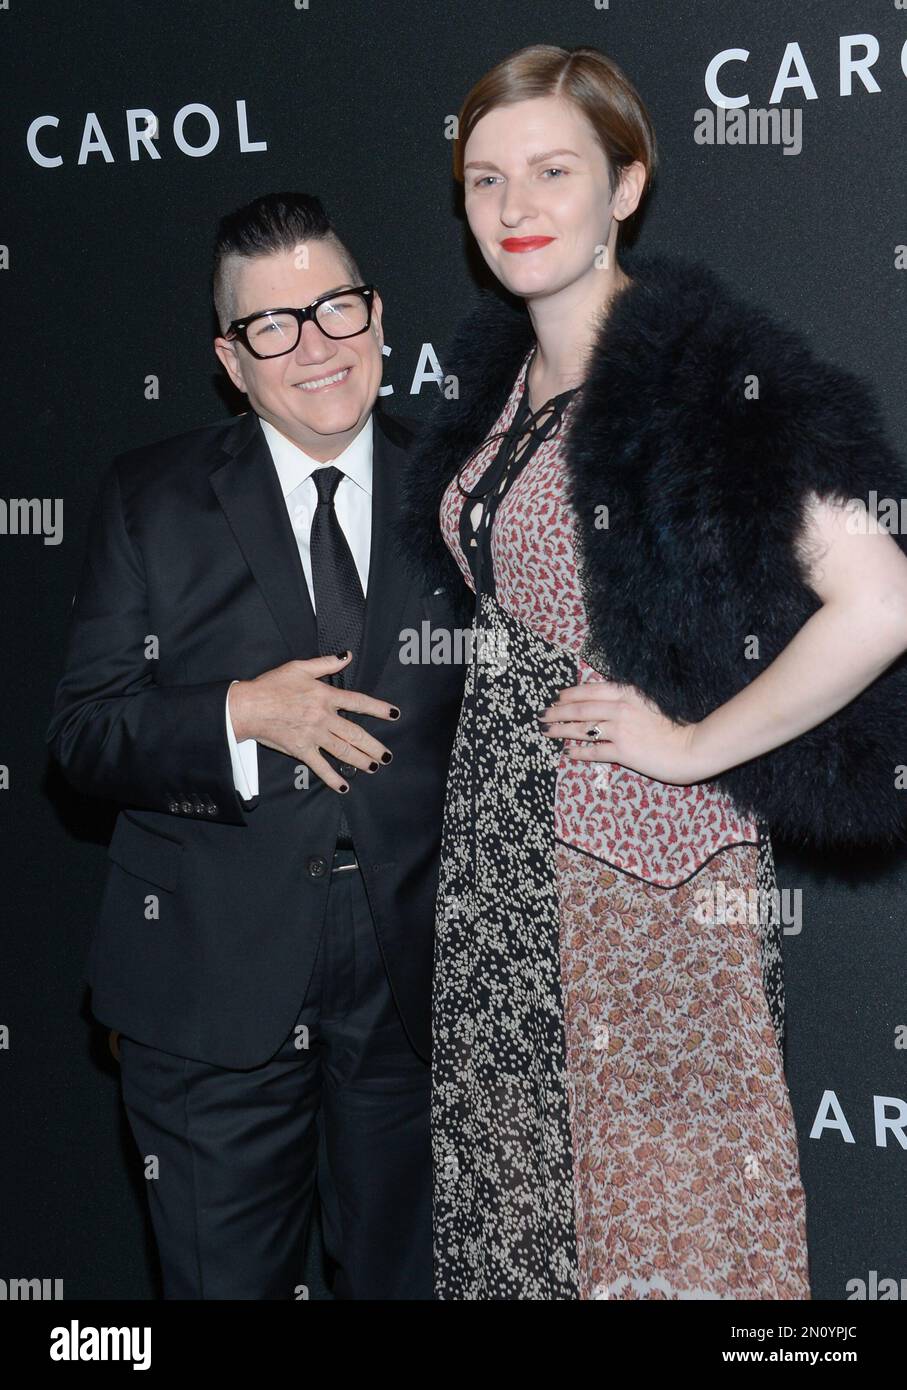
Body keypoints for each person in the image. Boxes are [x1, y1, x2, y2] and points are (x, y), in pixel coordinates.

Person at [396, 44, 907, 1300]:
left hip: (644, 877)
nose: (513, 209)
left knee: (666, 1231)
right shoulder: (504, 386)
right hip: (505, 866)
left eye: (552, 172)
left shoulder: (701, 380)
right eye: (484, 180)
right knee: (527, 1226)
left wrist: (690, 742)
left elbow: (881, 600)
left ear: (625, 186)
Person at [46, 192, 467, 1299]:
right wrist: (237, 712)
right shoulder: (153, 498)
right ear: (231, 360)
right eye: (272, 326)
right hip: (206, 987)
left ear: (378, 317)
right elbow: (82, 735)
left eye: (334, 308)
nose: (314, 345)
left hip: (413, 993)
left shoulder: (468, 490)